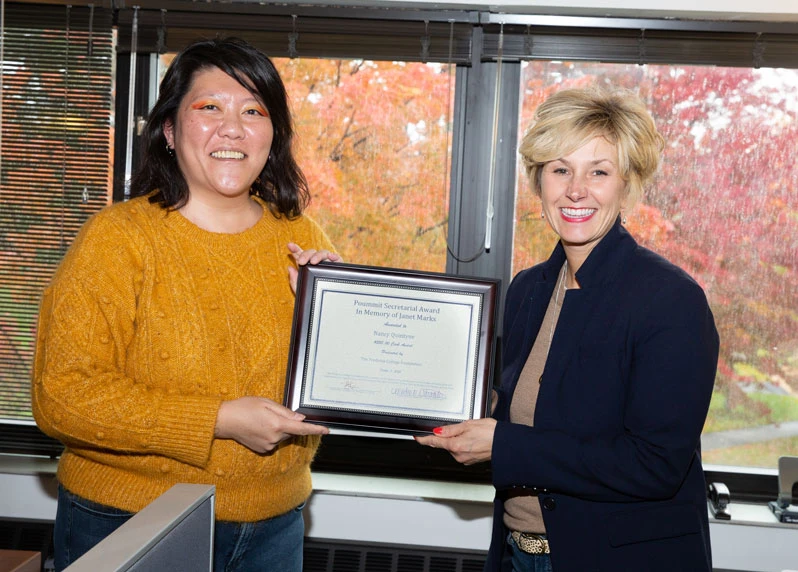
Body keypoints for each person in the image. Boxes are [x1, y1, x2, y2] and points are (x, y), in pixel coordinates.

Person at [31, 37, 341, 571]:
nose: (233, 127)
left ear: (274, 135)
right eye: (209, 108)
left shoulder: (305, 239)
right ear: (170, 130)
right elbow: (60, 395)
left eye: (253, 110)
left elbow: (339, 389)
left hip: (275, 527)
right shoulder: (117, 239)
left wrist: (334, 316)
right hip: (129, 520)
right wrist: (217, 419)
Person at [416, 87, 718, 571]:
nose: (576, 189)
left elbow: (654, 465)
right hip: (519, 553)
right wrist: (452, 403)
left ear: (627, 184)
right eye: (560, 170)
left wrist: (502, 443)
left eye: (598, 171)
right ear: (539, 182)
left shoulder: (671, 300)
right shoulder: (527, 289)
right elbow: (533, 410)